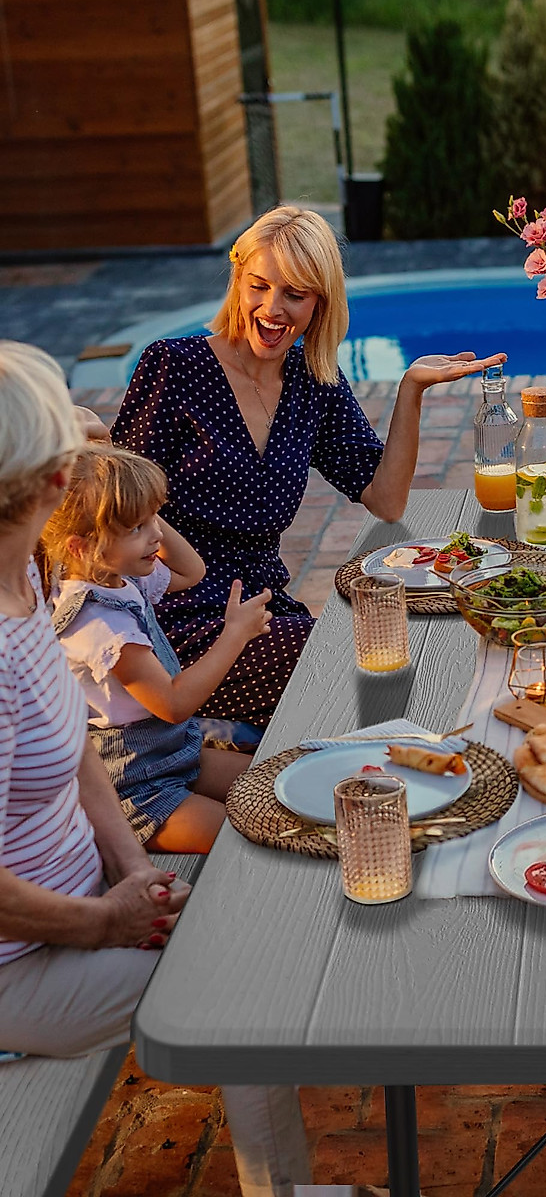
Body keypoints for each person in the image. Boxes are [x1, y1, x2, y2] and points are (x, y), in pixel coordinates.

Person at [0, 341, 311, 1197]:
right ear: (48, 483)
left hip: (94, 885)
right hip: (23, 961)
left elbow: (78, 754)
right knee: (242, 977)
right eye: (66, 447)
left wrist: (134, 872)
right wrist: (105, 922)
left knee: (271, 810)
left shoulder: (28, 585)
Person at [112, 205, 505, 727]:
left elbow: (384, 498)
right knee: (361, 674)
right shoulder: (175, 366)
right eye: (259, 286)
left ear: (320, 302)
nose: (272, 309)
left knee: (420, 639)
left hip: (265, 612)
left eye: (294, 294)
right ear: (238, 280)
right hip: (177, 618)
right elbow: (117, 505)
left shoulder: (311, 380)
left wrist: (410, 390)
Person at [39, 444, 273, 852]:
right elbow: (173, 702)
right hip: (136, 789)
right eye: (136, 529)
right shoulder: (99, 626)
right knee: (248, 838)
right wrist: (234, 635)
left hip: (176, 751)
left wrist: (137, 507)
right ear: (81, 547)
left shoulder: (116, 576)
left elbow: (191, 570)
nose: (157, 535)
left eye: (153, 520)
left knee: (274, 789)